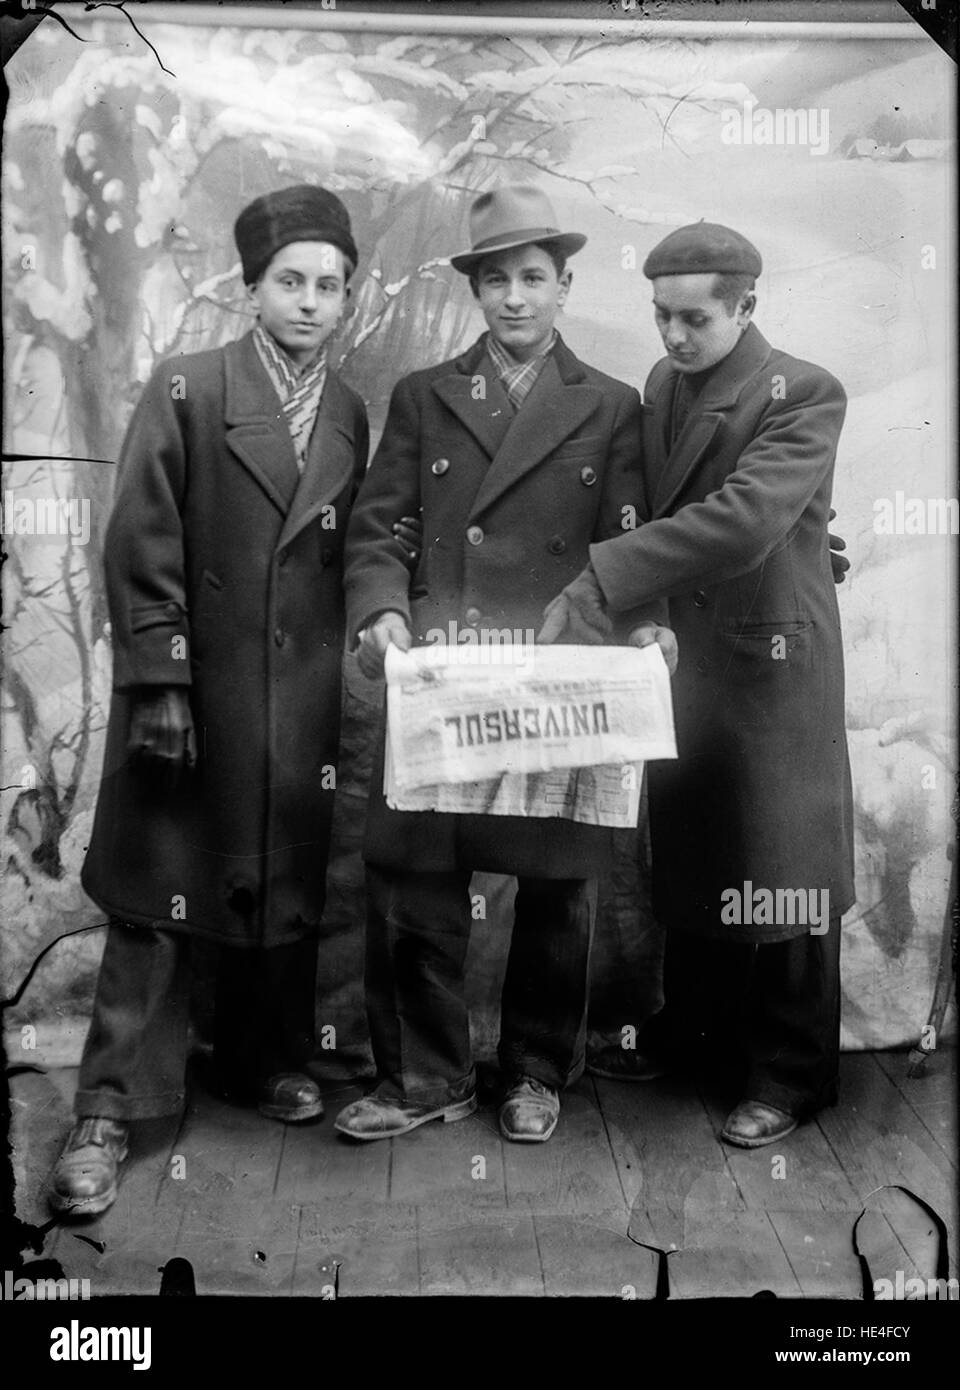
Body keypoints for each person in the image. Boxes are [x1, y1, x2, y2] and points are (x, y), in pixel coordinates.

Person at [49, 185, 417, 1217]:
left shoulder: (345, 411)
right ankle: (110, 1109)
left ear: (348, 298)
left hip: (293, 702)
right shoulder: (188, 386)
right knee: (159, 899)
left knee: (281, 887)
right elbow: (140, 539)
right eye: (289, 281)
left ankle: (265, 1058)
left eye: (328, 285)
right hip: (195, 692)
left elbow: (361, 545)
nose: (308, 301)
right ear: (251, 289)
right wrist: (161, 679)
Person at [333, 184, 676, 1147]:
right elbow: (378, 529)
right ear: (477, 291)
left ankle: (535, 1072)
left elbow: (631, 538)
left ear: (565, 286)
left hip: (557, 670)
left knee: (560, 885)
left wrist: (642, 625)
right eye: (497, 281)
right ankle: (425, 1077)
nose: (515, 299)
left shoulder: (610, 406)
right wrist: (381, 610)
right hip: (446, 667)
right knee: (412, 877)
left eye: (534, 279)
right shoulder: (422, 395)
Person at [540, 221, 855, 1148]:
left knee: (786, 866)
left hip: (772, 663)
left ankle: (791, 1076)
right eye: (661, 317)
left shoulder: (806, 391)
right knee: (704, 849)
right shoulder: (663, 387)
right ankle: (704, 1039)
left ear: (746, 307)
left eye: (695, 318)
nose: (674, 337)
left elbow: (748, 517)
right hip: (687, 656)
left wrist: (605, 574)